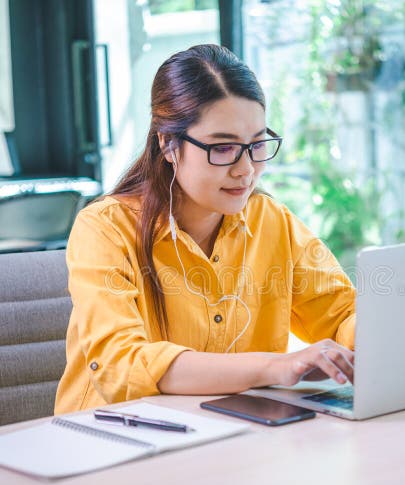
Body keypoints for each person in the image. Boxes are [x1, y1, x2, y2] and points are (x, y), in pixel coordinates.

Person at [54, 44, 356, 414]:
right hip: (110, 438)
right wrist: (274, 366)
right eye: (223, 148)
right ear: (169, 144)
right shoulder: (104, 228)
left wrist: (384, 332)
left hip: (228, 433)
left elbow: (342, 314)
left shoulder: (272, 221)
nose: (246, 170)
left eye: (257, 144)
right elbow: (123, 364)